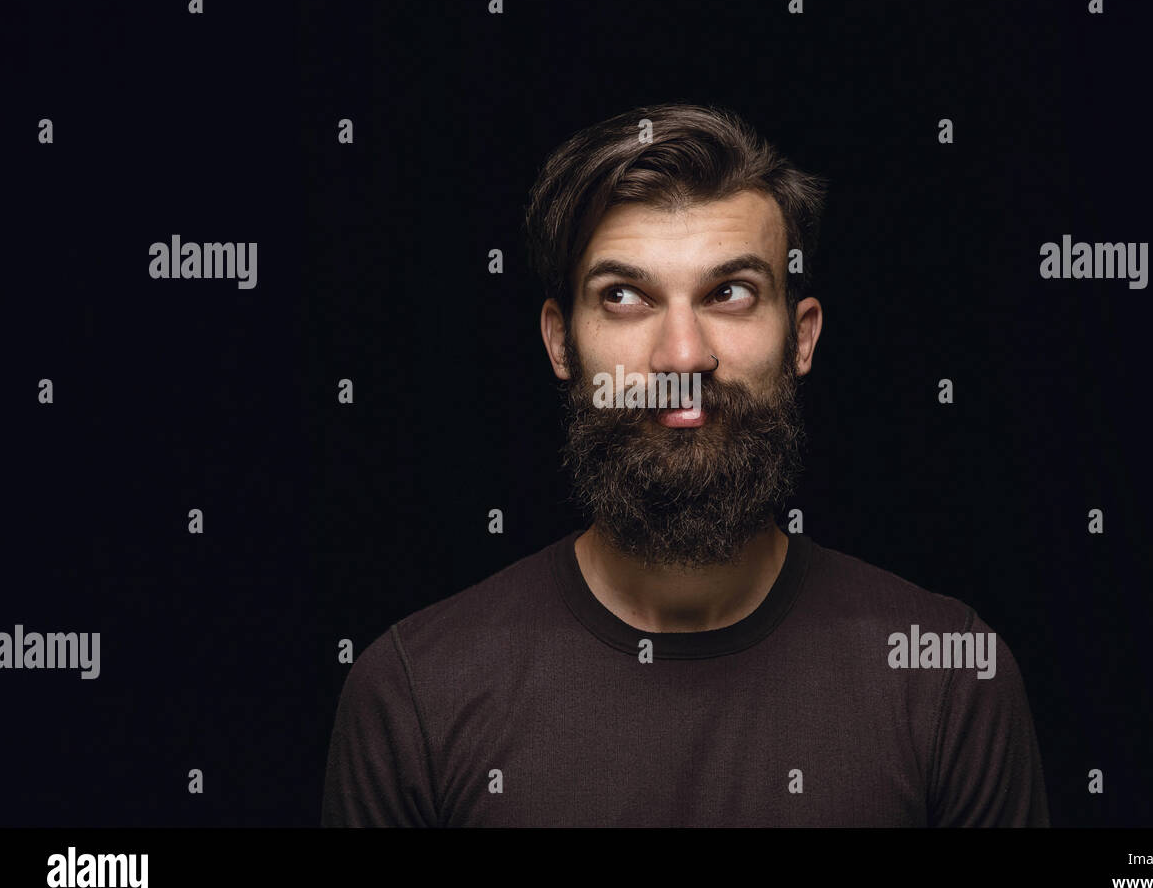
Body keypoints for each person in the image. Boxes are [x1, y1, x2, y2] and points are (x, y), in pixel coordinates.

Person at [321, 103, 1050, 826]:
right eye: (626, 297)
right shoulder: (417, 692)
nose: (681, 357)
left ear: (801, 337)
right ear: (560, 342)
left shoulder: (948, 676)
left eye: (729, 294)